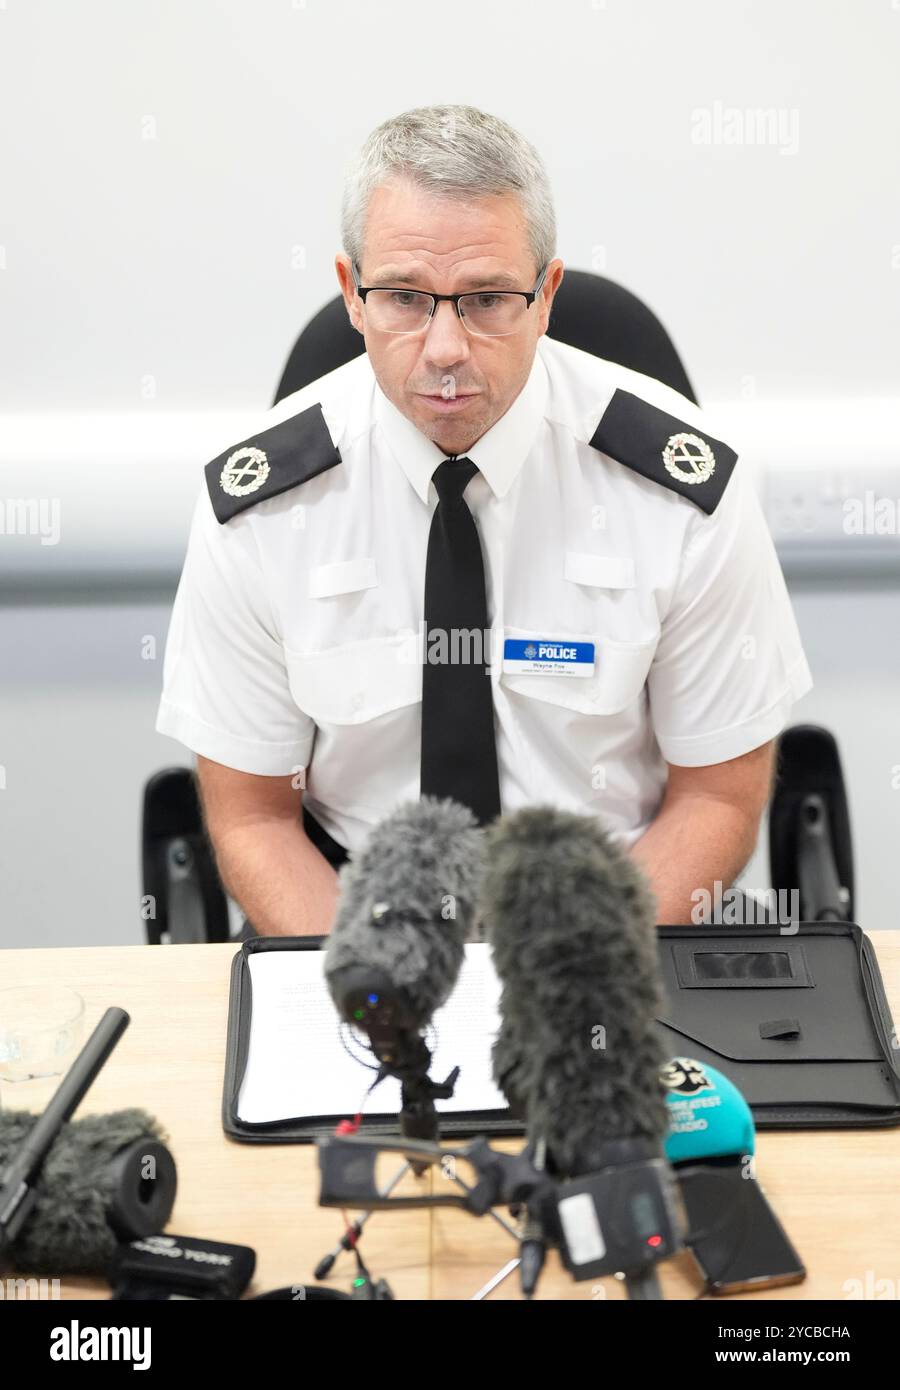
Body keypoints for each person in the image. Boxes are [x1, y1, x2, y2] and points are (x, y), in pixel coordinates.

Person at [155, 103, 812, 937]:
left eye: (488, 299)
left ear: (547, 295)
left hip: (612, 922)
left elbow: (716, 796)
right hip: (350, 925)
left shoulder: (683, 492)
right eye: (402, 297)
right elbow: (255, 819)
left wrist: (569, 978)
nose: (444, 350)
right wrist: (383, 994)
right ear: (352, 293)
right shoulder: (257, 508)